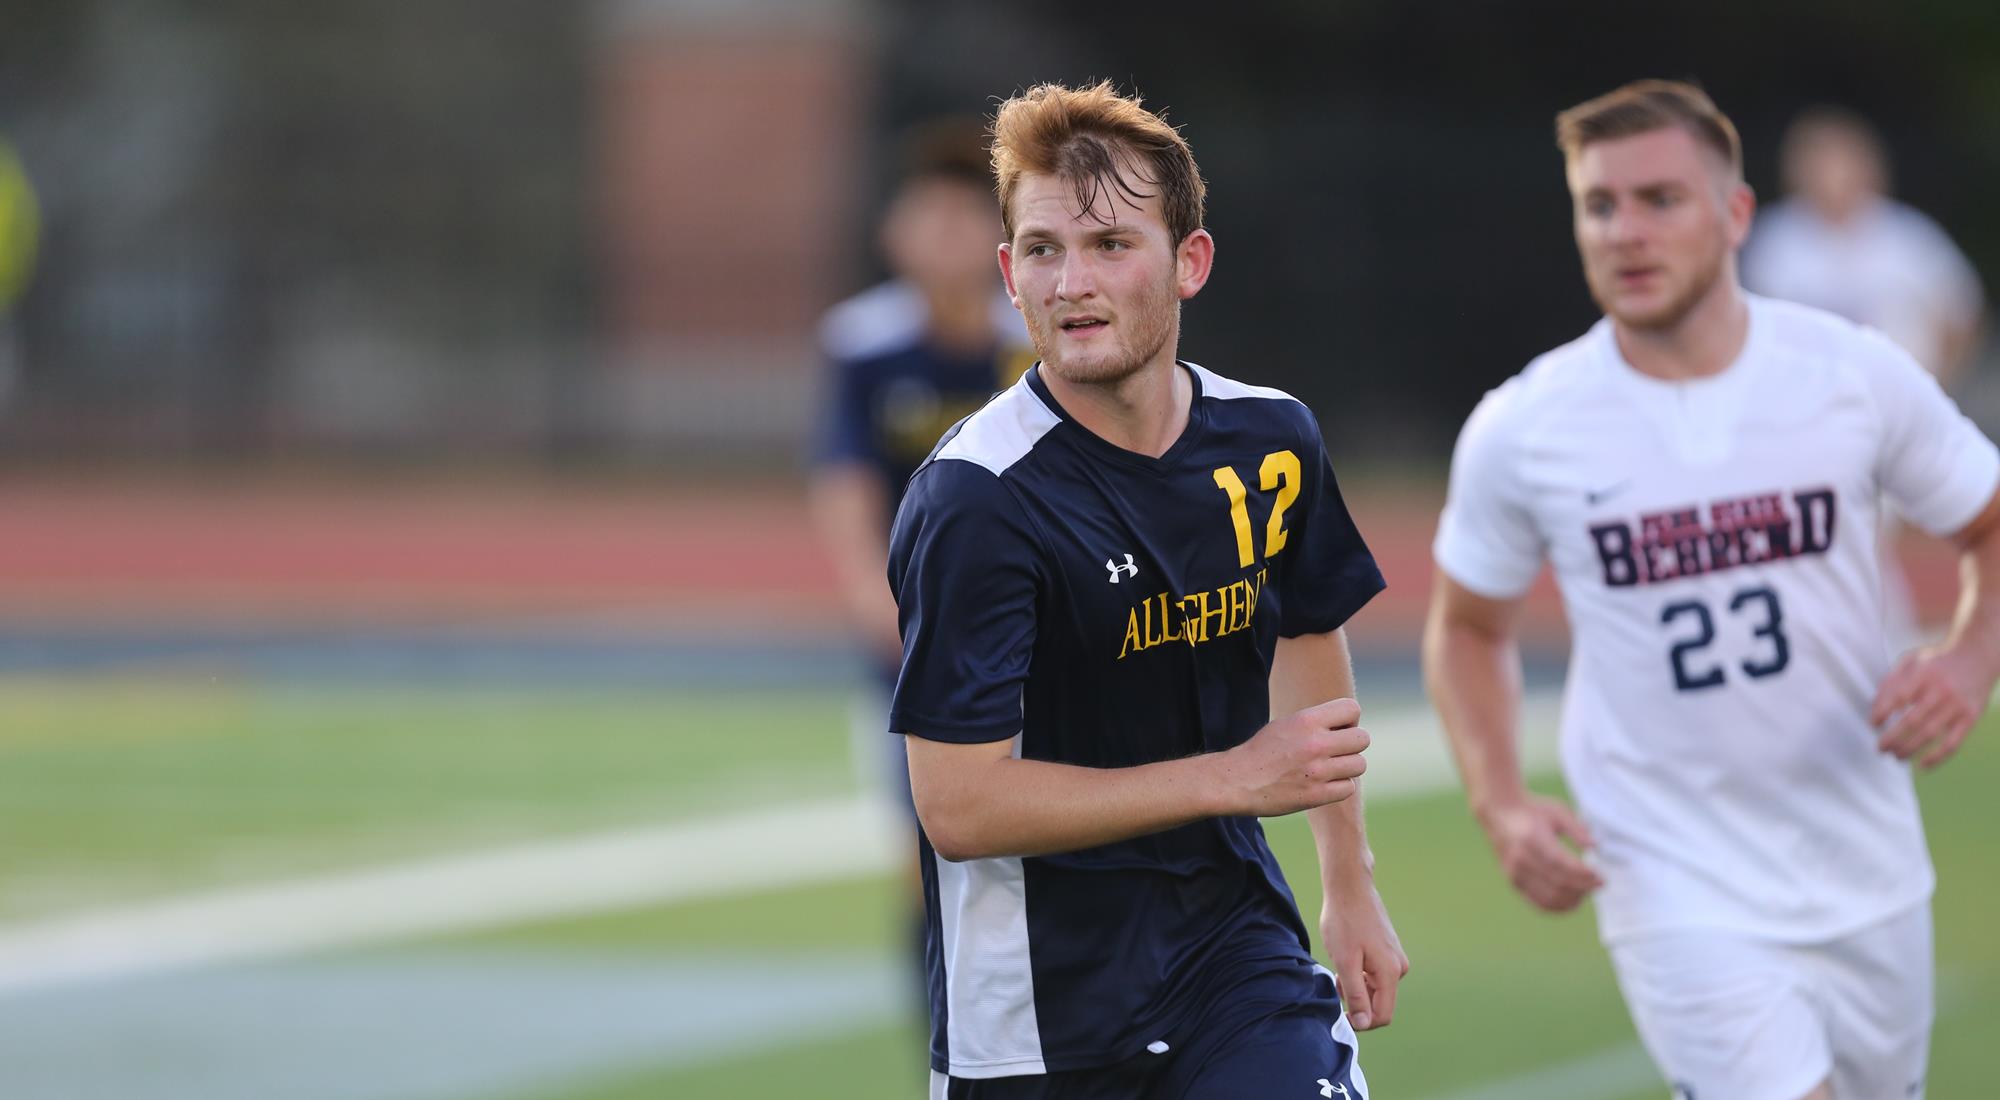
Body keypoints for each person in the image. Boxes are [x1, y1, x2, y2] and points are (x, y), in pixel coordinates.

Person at [1425, 79, 2000, 1100]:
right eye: (1598, 205)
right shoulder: (1525, 425)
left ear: (1734, 215)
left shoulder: (1850, 374)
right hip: (1669, 871)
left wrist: (1967, 653)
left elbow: (1984, 522)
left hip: (1863, 861)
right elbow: (1465, 627)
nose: (1624, 231)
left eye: (1658, 199)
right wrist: (1498, 799)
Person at [888, 81, 1406, 1098]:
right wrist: (1229, 777)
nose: (1070, 281)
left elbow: (1304, 637)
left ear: (1188, 263)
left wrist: (1348, 880)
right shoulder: (976, 499)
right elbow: (958, 804)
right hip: (1039, 1019)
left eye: (1110, 244)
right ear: (1008, 274)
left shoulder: (1268, 440)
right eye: (1042, 250)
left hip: (1233, 959)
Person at [1743, 107, 1984, 387]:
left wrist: (1936, 385)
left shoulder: (1910, 236)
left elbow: (1963, 317)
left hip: (1899, 406)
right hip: (1804, 405)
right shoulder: (1773, 241)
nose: (1831, 175)